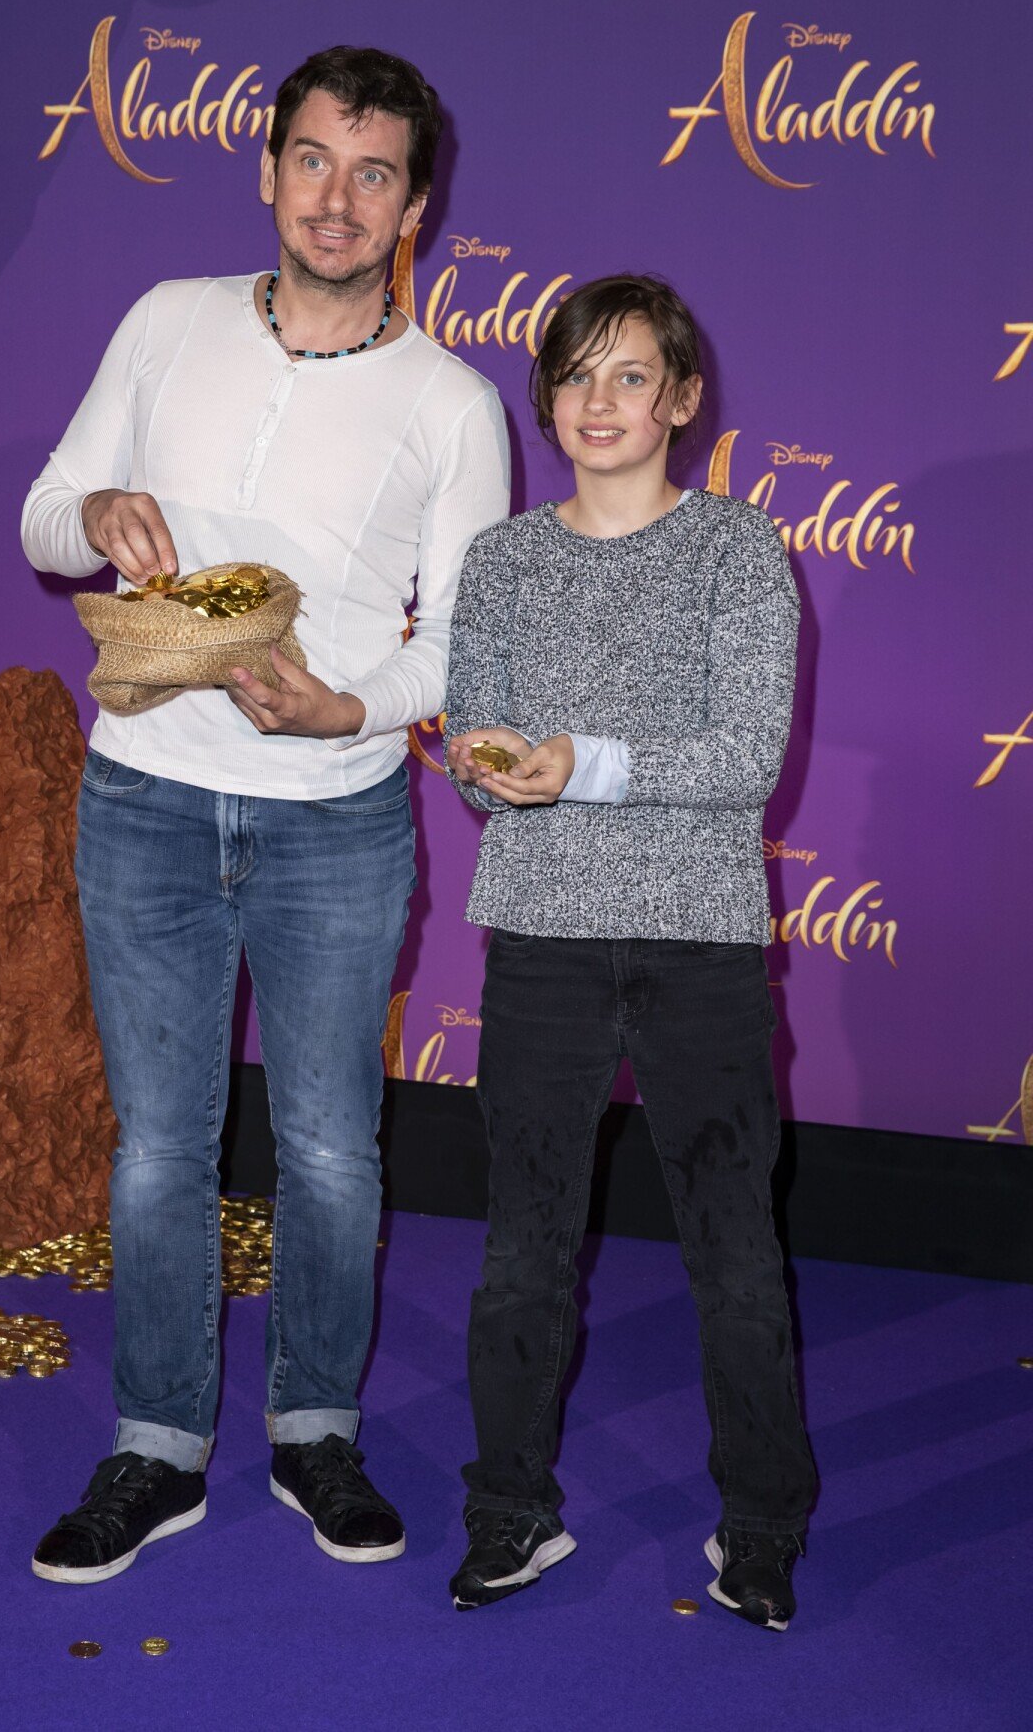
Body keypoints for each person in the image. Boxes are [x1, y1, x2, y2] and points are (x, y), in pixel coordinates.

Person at [20, 46, 509, 1584]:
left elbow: (465, 644)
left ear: (415, 204)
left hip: (337, 821)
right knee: (161, 1149)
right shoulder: (167, 322)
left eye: (375, 173)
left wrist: (351, 709)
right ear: (267, 171)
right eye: (313, 159)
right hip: (147, 799)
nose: (338, 196)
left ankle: (315, 1433)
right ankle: (155, 1450)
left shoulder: (454, 400)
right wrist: (92, 513)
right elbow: (46, 514)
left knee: (332, 1152)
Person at [442, 273, 815, 1629]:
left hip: (699, 938)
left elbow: (746, 760)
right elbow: (478, 756)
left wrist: (578, 764)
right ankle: (507, 1513)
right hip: (538, 939)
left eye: (631, 375)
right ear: (547, 398)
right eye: (578, 376)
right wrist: (498, 770)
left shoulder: (739, 550)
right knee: (521, 1249)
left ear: (683, 397)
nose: (601, 402)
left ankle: (763, 1528)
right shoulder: (501, 561)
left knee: (733, 1250)